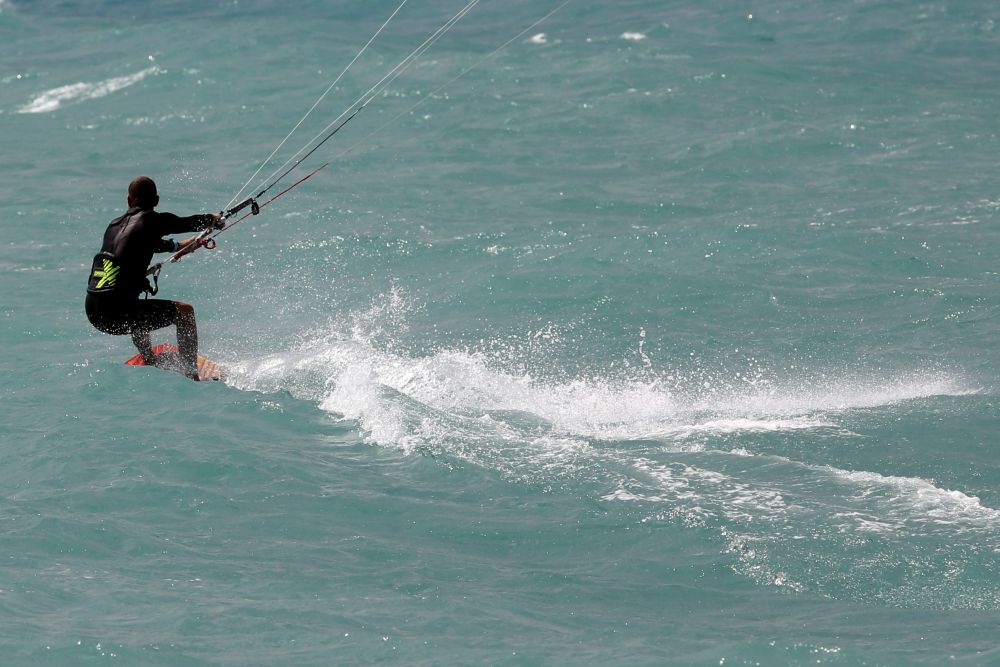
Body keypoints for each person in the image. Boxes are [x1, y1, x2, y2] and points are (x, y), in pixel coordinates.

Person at [85, 176, 223, 380]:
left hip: (94, 312)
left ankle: (149, 357)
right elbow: (187, 223)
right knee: (184, 312)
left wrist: (184, 245)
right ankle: (191, 373)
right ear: (156, 201)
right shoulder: (152, 220)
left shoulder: (113, 226)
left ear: (129, 200)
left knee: (133, 304)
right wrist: (213, 218)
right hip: (116, 315)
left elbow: (153, 244)